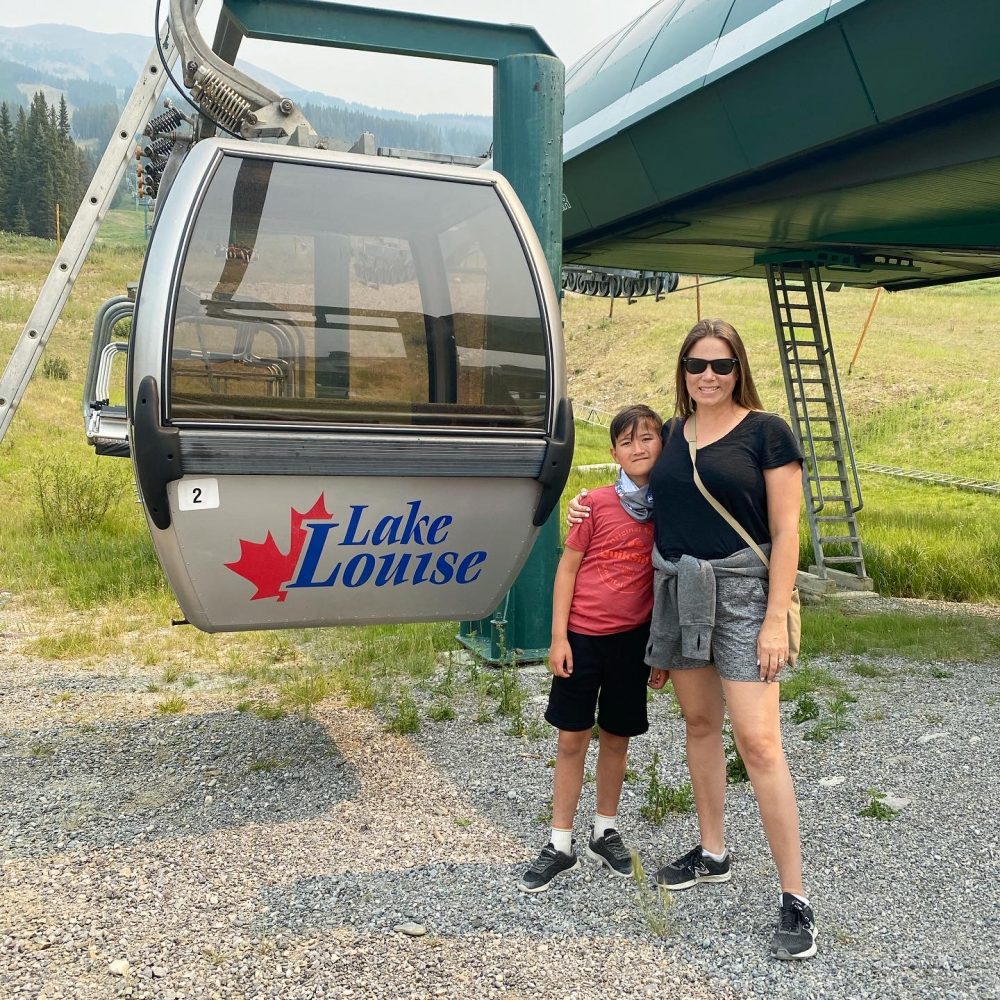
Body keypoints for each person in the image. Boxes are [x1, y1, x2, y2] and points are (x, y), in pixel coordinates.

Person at [567, 319, 816, 960]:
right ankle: (713, 851)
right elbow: (639, 494)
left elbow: (787, 534)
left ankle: (796, 897)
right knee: (700, 725)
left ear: (740, 370)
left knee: (760, 744)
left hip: (741, 597)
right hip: (678, 595)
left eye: (722, 365)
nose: (709, 375)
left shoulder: (767, 432)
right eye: (697, 364)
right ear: (683, 370)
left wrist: (774, 615)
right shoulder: (672, 433)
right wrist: (584, 507)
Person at [519, 404, 663, 893]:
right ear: (614, 452)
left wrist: (660, 650)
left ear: (663, 444)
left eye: (648, 438)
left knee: (617, 737)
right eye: (627, 441)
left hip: (632, 643)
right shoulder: (595, 504)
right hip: (582, 637)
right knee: (570, 738)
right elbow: (567, 569)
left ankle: (605, 829)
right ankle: (560, 841)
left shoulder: (670, 509)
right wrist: (558, 637)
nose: (638, 449)